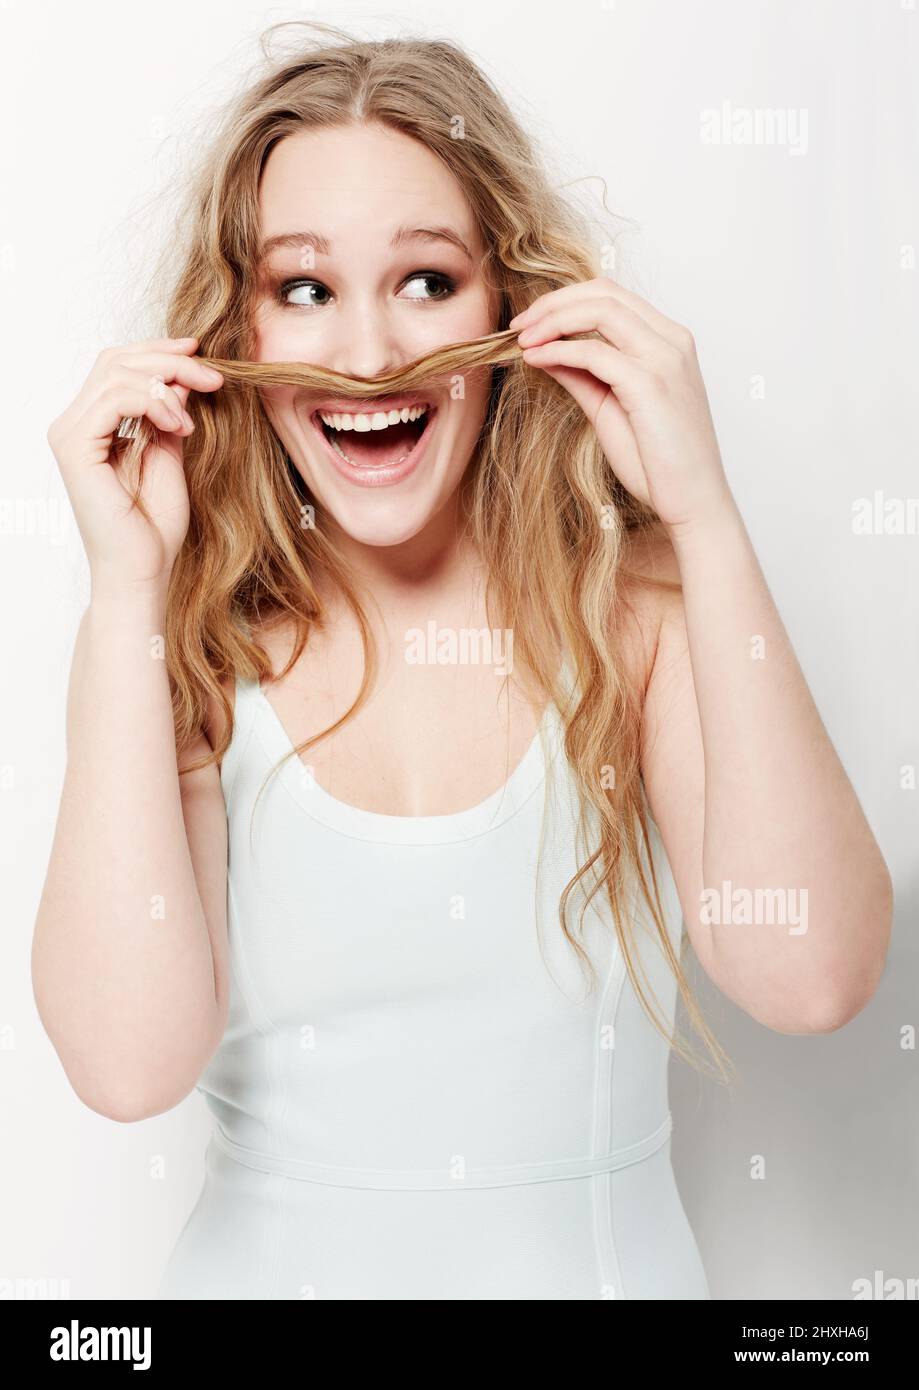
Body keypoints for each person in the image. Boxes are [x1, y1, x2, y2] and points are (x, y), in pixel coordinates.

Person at [32, 23, 893, 1300]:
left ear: (511, 306)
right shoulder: (183, 642)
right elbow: (122, 1067)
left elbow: (814, 972)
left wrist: (706, 515)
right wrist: (126, 593)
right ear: (236, 329)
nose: (373, 355)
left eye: (427, 280)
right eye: (305, 289)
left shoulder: (634, 608)